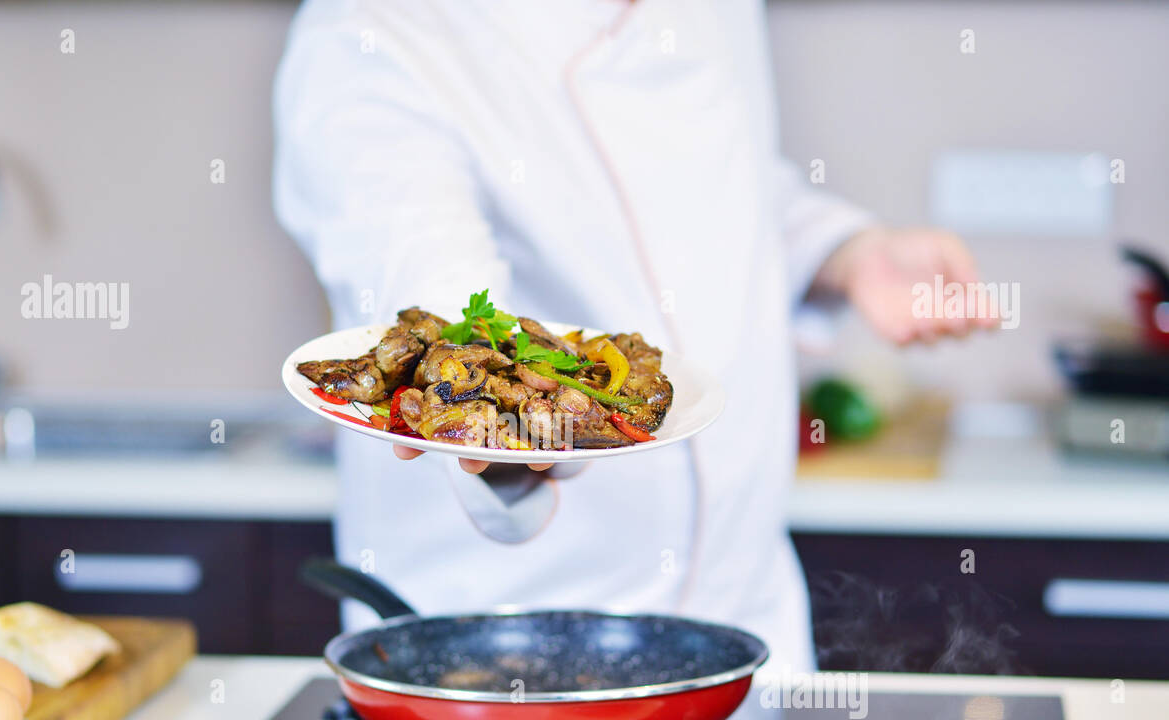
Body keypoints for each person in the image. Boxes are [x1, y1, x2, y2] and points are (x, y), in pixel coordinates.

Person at [272, 0, 996, 673]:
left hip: (745, 629)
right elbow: (434, 292)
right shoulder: (371, 34)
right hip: (500, 648)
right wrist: (508, 442)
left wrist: (845, 251)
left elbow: (729, 189)